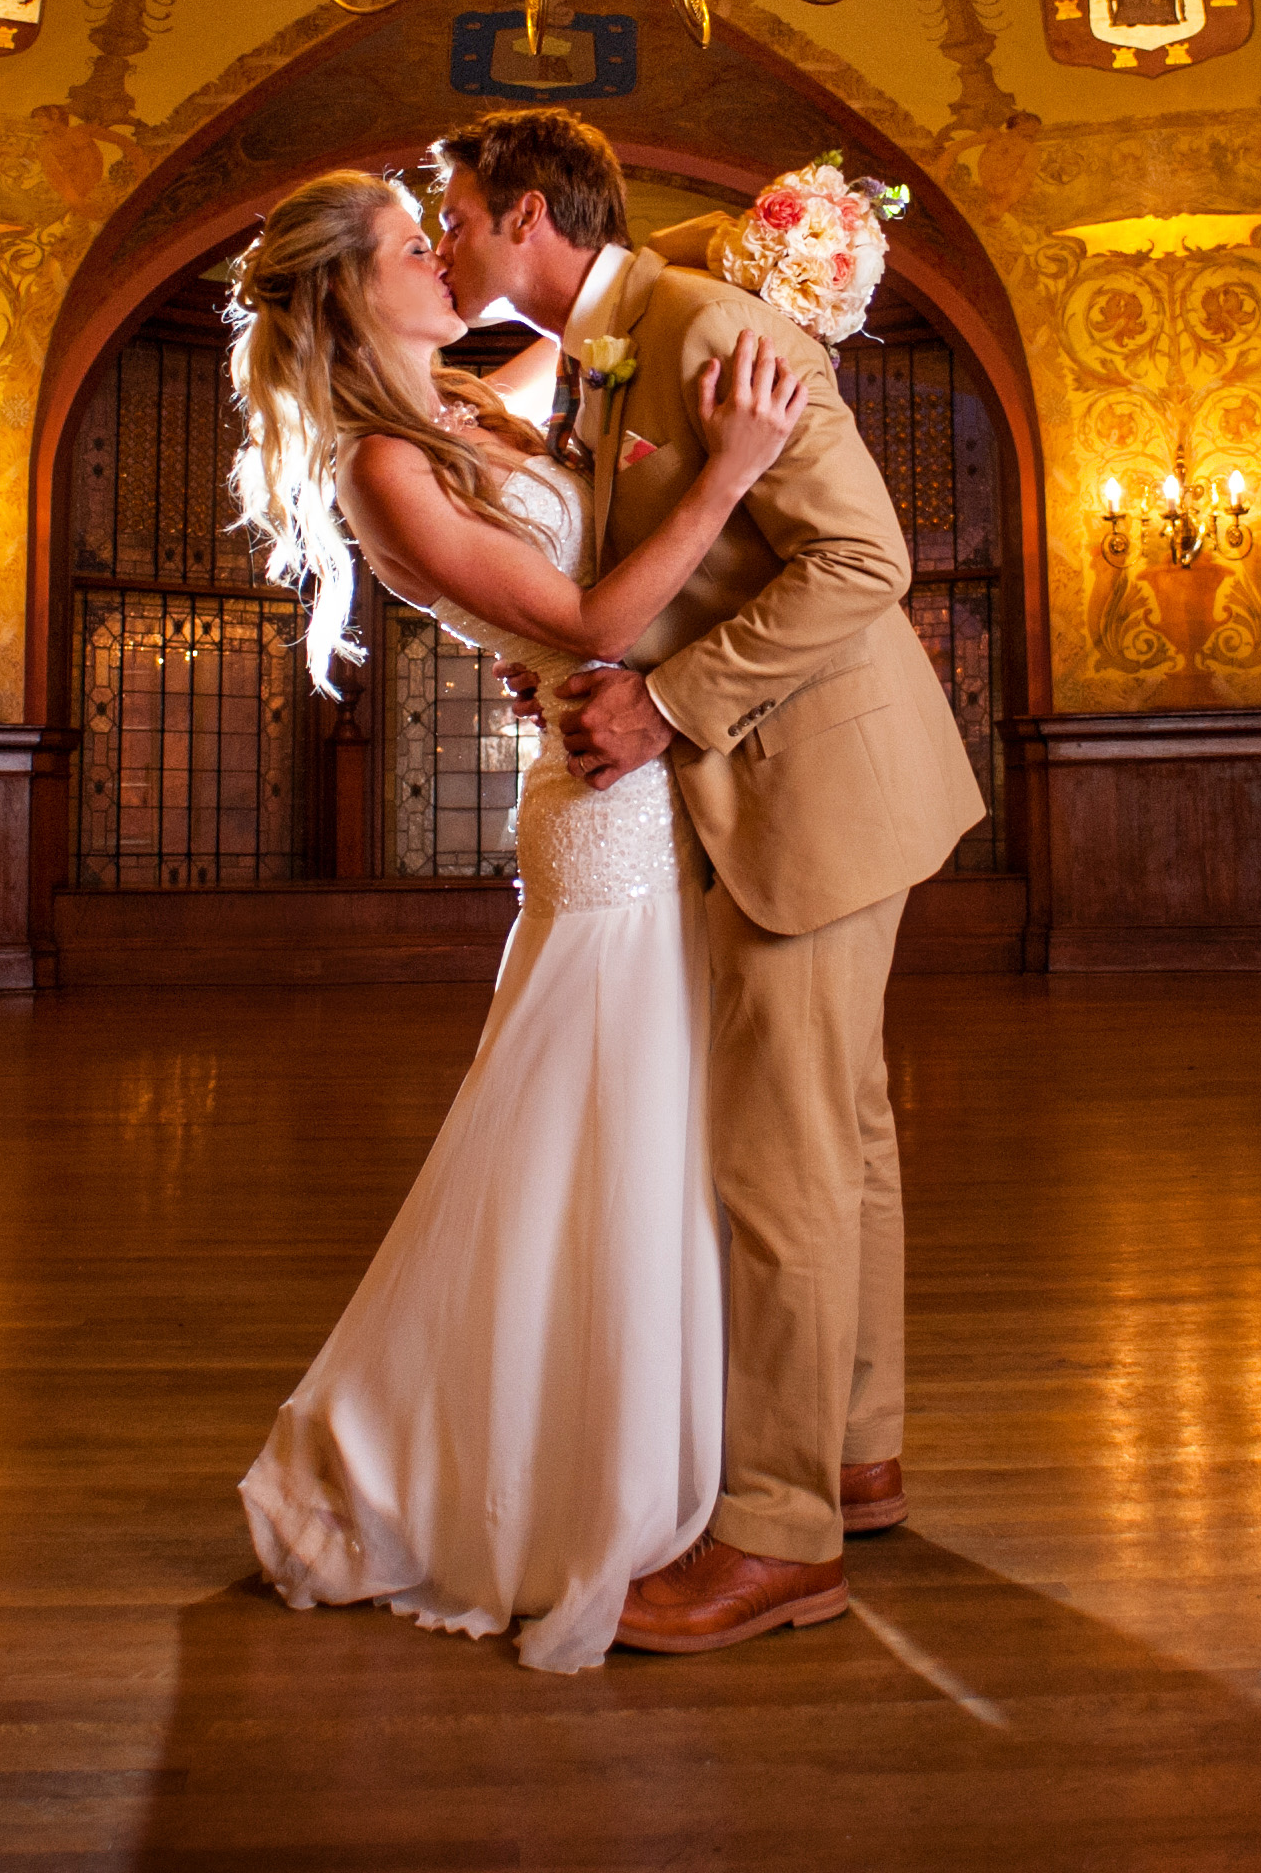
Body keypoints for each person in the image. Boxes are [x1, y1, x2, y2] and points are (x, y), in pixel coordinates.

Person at [224, 164, 810, 1672]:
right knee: (593, 1147)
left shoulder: (469, 404)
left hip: (634, 783)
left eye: (448, 233)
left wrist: (787, 230)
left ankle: (645, 1447)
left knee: (635, 1144)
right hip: (598, 818)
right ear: (352, 290)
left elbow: (601, 306)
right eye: (419, 248)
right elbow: (595, 622)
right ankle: (516, 1478)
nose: (448, 261)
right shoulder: (379, 464)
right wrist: (738, 468)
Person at [426, 108, 986, 1658]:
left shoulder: (712, 330)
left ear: (528, 211)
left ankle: (781, 1541)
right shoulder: (628, 324)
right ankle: (855, 1450)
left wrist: (669, 705)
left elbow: (865, 562)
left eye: (454, 213)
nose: (443, 238)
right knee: (844, 1134)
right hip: (807, 780)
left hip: (814, 788)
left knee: (779, 1163)